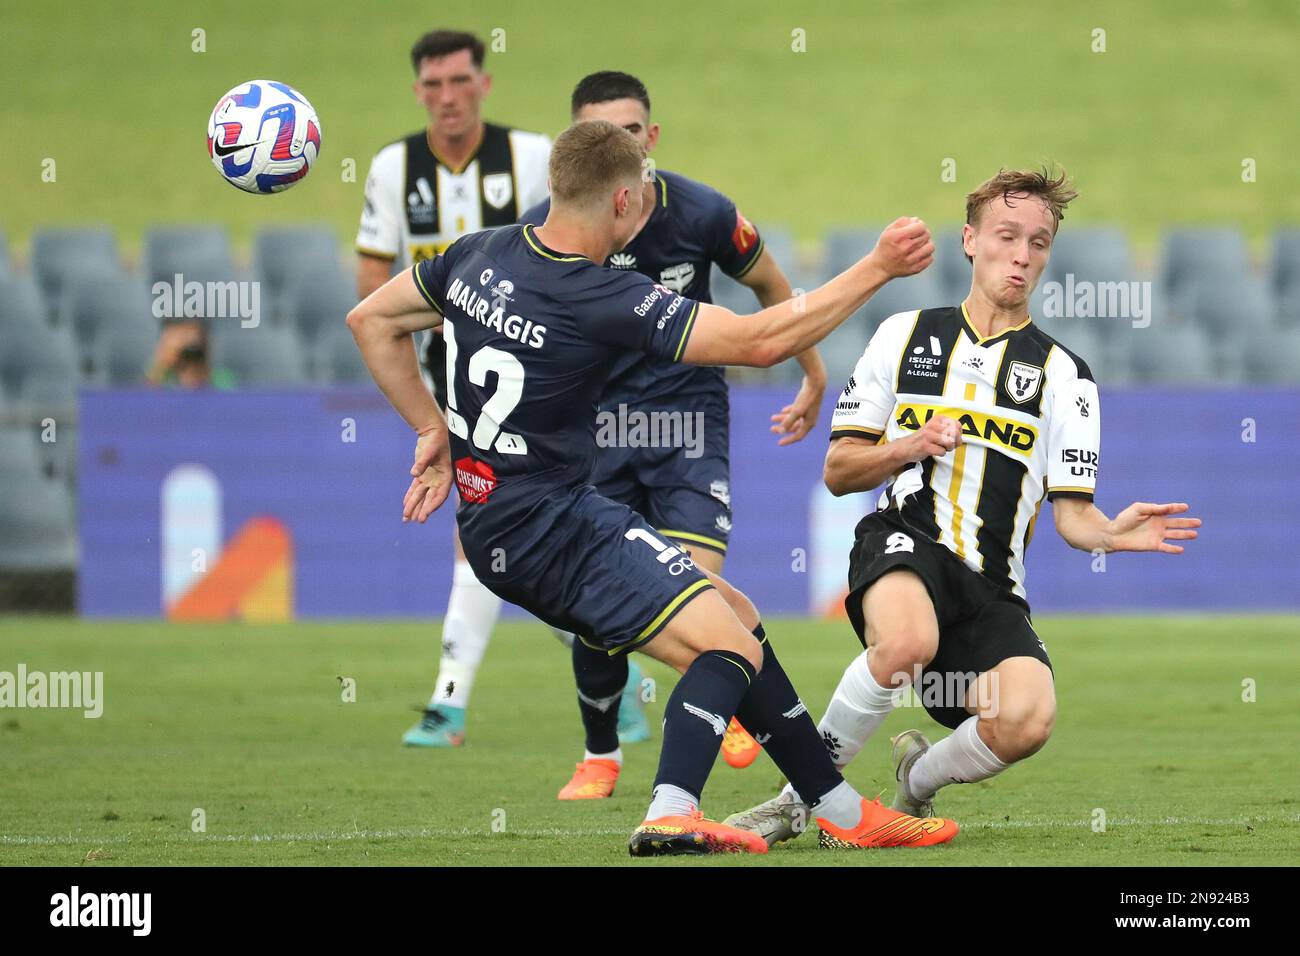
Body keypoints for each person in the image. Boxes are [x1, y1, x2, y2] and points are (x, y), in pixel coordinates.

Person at [348, 119, 958, 855]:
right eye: (641, 199)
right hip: (550, 528)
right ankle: (670, 810)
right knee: (727, 652)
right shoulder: (603, 295)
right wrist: (878, 267)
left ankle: (840, 809)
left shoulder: (482, 253)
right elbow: (760, 341)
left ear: (553, 187)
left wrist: (430, 429)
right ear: (624, 204)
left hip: (504, 518)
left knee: (736, 614)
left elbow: (371, 318)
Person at [724, 167, 1202, 846]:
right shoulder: (903, 335)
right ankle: (798, 799)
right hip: (904, 543)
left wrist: (1112, 534)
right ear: (970, 241)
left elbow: (1072, 518)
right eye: (1007, 236)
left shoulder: (1067, 378)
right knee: (909, 642)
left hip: (991, 588)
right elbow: (838, 469)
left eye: (1038, 242)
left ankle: (916, 780)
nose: (1023, 255)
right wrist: (908, 445)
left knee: (1029, 718)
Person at [513, 71, 826, 798]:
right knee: (598, 617)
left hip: (688, 423)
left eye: (631, 130)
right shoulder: (553, 229)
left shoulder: (703, 212)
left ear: (651, 137)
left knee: (697, 583)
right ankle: (601, 753)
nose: (620, 144)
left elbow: (774, 288)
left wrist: (811, 374)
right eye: (601, 133)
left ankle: (717, 674)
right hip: (596, 431)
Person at [353, 29, 552, 747]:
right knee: (496, 531)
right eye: (433, 85)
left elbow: (563, 254)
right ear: (418, 92)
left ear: (483, 84)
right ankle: (454, 702)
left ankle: (456, 703)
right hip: (453, 384)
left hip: (533, 371)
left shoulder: (530, 159)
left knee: (518, 531)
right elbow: (373, 286)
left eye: (459, 81)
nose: (447, 97)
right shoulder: (391, 168)